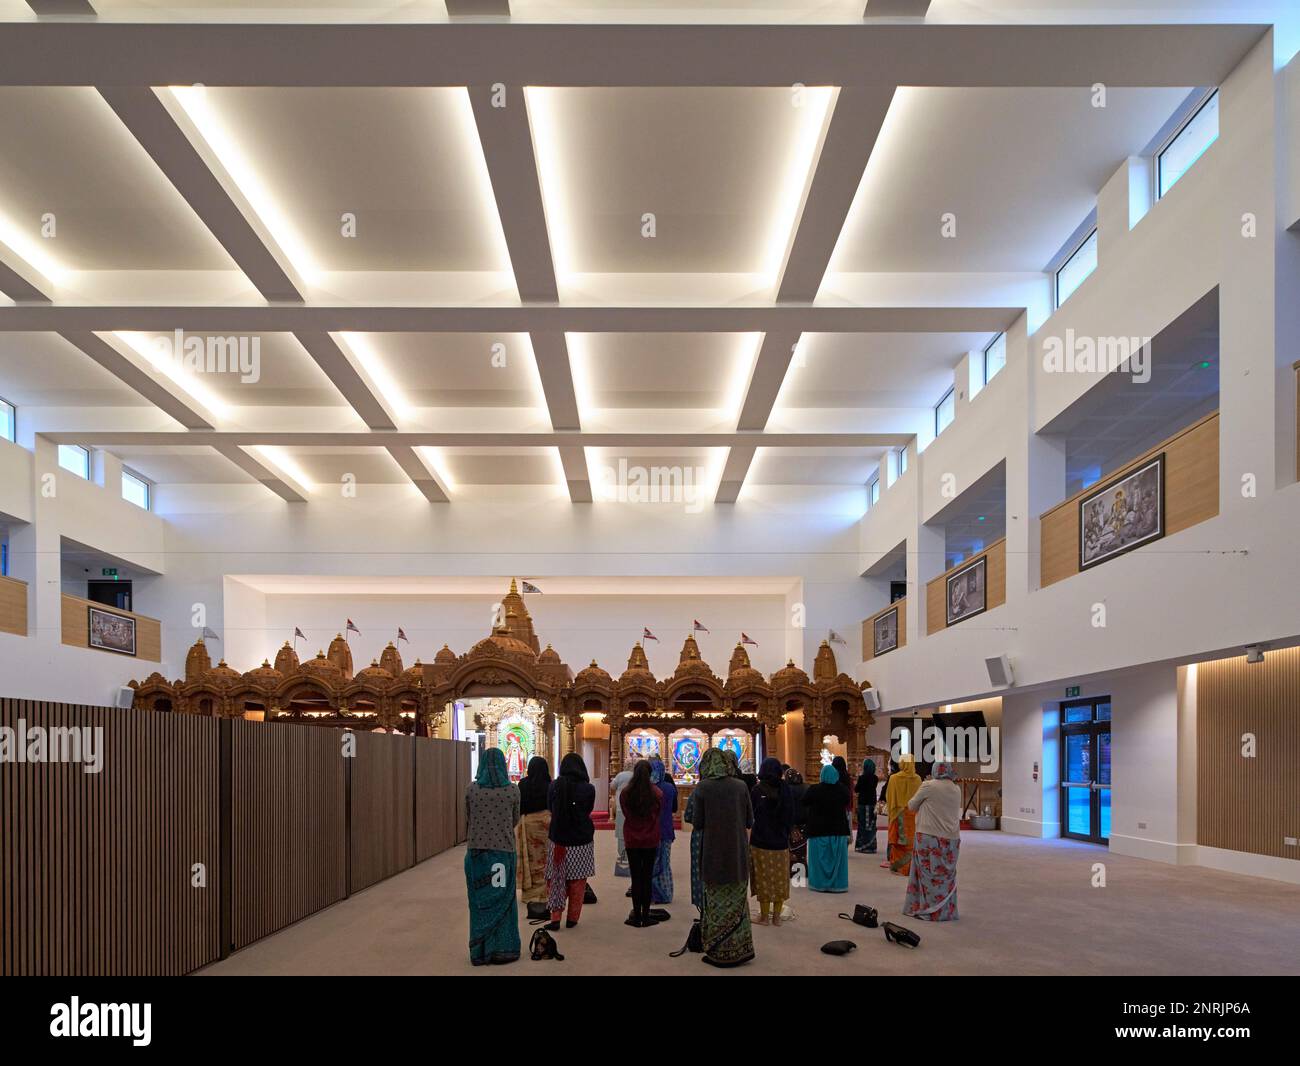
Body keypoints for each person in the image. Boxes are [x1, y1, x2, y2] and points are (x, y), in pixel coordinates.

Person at [690, 747, 755, 967]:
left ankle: (718, 950)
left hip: (713, 853)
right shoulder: (740, 786)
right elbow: (749, 820)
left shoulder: (703, 788)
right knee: (737, 902)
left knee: (716, 903)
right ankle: (741, 949)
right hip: (737, 853)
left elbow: (697, 822)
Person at [464, 747, 521, 965]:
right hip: (504, 853)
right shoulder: (512, 791)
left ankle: (481, 951)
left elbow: (468, 818)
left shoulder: (472, 790)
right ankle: (504, 949)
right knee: (505, 902)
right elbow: (514, 819)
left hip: (477, 853)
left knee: (479, 902)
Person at [904, 761, 963, 921]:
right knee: (945, 875)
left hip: (929, 837)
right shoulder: (956, 789)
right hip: (951, 839)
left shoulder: (928, 786)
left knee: (927, 875)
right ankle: (946, 911)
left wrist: (927, 783)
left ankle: (928, 909)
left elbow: (911, 805)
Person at [546, 752, 596, 930]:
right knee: (578, 882)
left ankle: (555, 918)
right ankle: (572, 919)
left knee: (556, 879)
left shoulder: (554, 786)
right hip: (581, 840)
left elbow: (550, 808)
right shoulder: (588, 788)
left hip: (558, 839)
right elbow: (588, 810)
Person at [749, 756, 794, 925]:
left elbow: (751, 815)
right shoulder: (785, 789)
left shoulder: (757, 790)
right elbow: (790, 816)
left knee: (763, 878)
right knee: (780, 879)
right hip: (781, 842)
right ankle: (776, 917)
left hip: (761, 841)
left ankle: (763, 916)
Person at [620, 759, 663, 927]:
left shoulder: (626, 793)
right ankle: (646, 916)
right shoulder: (657, 793)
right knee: (647, 876)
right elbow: (658, 814)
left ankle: (636, 915)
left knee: (636, 877)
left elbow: (625, 813)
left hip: (632, 838)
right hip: (651, 838)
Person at [803, 763, 849, 893]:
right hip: (838, 831)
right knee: (837, 860)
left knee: (818, 859)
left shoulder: (814, 789)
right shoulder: (843, 790)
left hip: (818, 831)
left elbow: (804, 801)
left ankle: (819, 883)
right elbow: (847, 801)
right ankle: (837, 885)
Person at [515, 756, 552, 911]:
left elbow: (519, 805)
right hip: (546, 823)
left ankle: (530, 893)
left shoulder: (523, 784)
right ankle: (546, 893)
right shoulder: (550, 784)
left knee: (529, 859)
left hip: (528, 824)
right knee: (545, 857)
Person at [886, 753, 922, 876]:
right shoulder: (917, 779)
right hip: (913, 815)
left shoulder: (894, 778)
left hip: (898, 814)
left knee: (898, 842)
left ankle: (898, 867)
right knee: (911, 842)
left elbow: (889, 798)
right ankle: (911, 868)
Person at [649, 756, 677, 907]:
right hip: (666, 829)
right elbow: (674, 808)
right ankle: (666, 893)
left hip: (650, 830)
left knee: (651, 863)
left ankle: (653, 894)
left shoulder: (648, 788)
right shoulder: (669, 788)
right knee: (665, 862)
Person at [610, 756, 637, 879]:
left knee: (621, 834)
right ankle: (632, 855)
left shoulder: (620, 775)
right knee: (632, 832)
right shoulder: (635, 776)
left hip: (621, 808)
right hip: (633, 809)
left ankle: (622, 854)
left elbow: (612, 787)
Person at [783, 767, 808, 876]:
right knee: (801, 848)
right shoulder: (807, 788)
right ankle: (802, 869)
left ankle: (792, 869)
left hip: (790, 824)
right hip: (804, 823)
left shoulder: (785, 789)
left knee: (791, 849)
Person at [854, 758, 879, 854]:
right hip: (872, 804)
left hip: (863, 804)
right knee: (871, 825)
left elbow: (857, 789)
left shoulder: (862, 778)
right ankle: (871, 846)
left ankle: (862, 846)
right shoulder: (875, 778)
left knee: (862, 825)